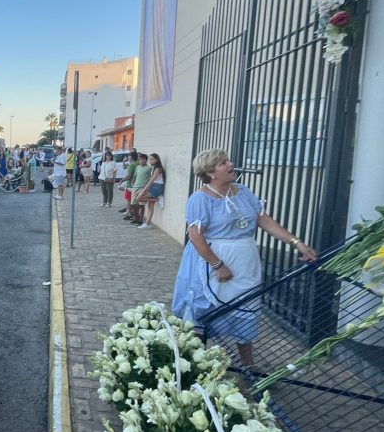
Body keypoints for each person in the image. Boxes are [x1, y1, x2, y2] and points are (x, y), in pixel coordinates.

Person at [171, 149, 317, 367]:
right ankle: (193, 364)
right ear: (211, 172)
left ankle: (248, 364)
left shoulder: (244, 192)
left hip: (246, 261)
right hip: (212, 263)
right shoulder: (199, 199)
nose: (231, 164)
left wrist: (296, 242)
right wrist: (218, 265)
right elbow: (196, 237)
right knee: (203, 311)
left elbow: (263, 219)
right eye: (223, 163)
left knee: (245, 305)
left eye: (228, 160)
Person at [133, 153, 166, 229]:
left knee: (138, 198)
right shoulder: (154, 168)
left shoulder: (158, 169)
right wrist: (145, 189)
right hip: (154, 186)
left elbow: (151, 181)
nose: (150, 161)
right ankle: (147, 223)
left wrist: (142, 191)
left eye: (152, 159)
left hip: (157, 187)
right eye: (149, 159)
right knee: (150, 206)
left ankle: (158, 198)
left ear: (156, 160)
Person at [125, 154, 153, 224]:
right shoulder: (137, 167)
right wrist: (133, 184)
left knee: (141, 204)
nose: (141, 161)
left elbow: (151, 178)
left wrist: (147, 187)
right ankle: (135, 217)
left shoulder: (149, 168)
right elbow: (134, 176)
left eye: (143, 159)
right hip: (135, 187)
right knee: (133, 204)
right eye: (140, 159)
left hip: (142, 188)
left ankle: (140, 219)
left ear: (146, 160)